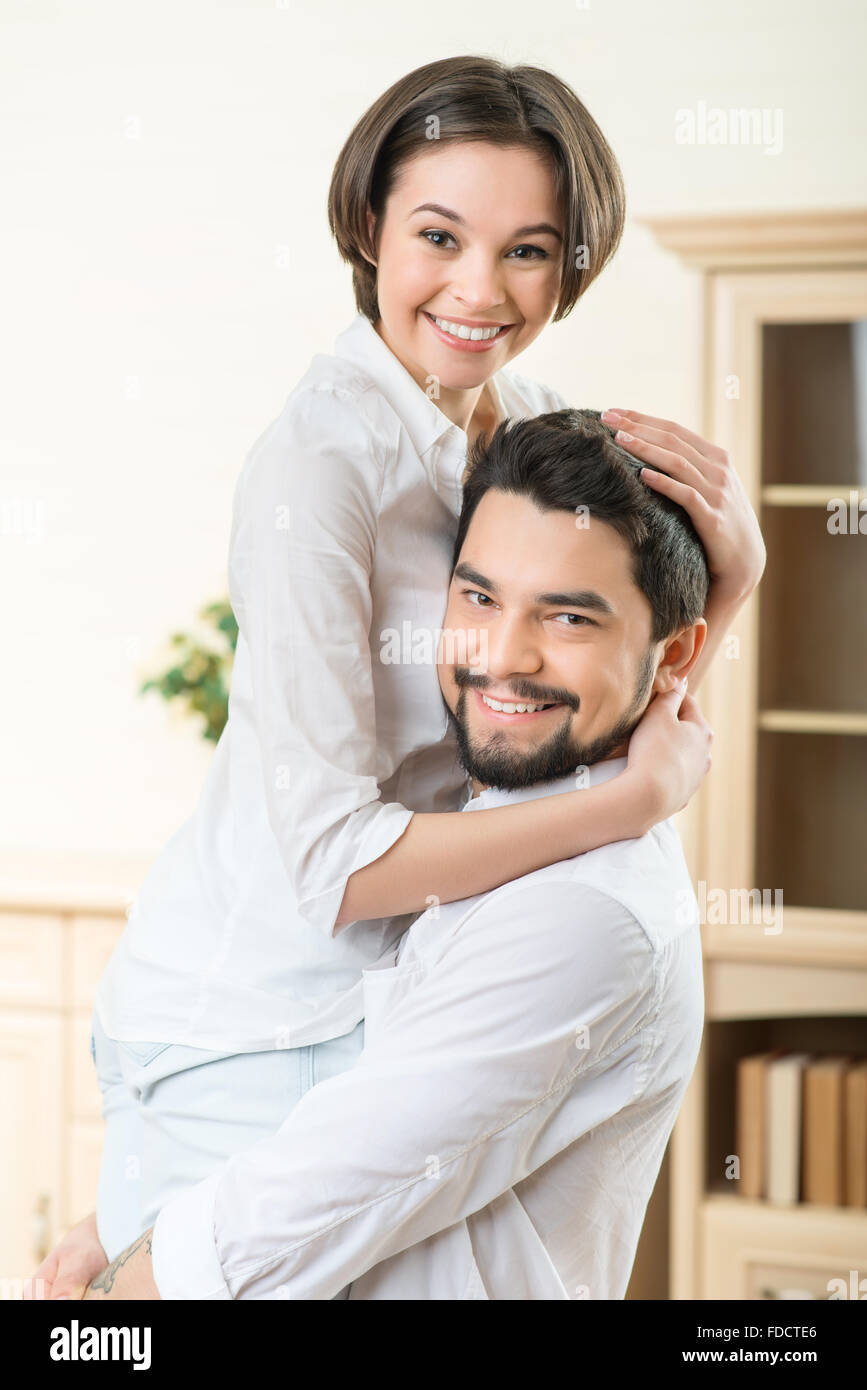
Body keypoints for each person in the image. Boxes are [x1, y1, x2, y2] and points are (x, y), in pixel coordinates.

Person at [30, 55, 762, 1299]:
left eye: (529, 250)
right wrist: (628, 808)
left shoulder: (513, 412)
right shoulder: (319, 469)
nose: (480, 290)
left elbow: (614, 653)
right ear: (371, 225)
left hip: (375, 1002)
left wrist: (732, 577)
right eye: (439, 235)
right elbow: (340, 868)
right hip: (249, 1010)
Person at [80, 408, 711, 1300]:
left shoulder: (582, 911)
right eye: (480, 597)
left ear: (675, 650)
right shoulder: (499, 821)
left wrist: (101, 1313)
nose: (500, 657)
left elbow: (289, 1218)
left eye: (568, 617)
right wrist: (115, 1232)